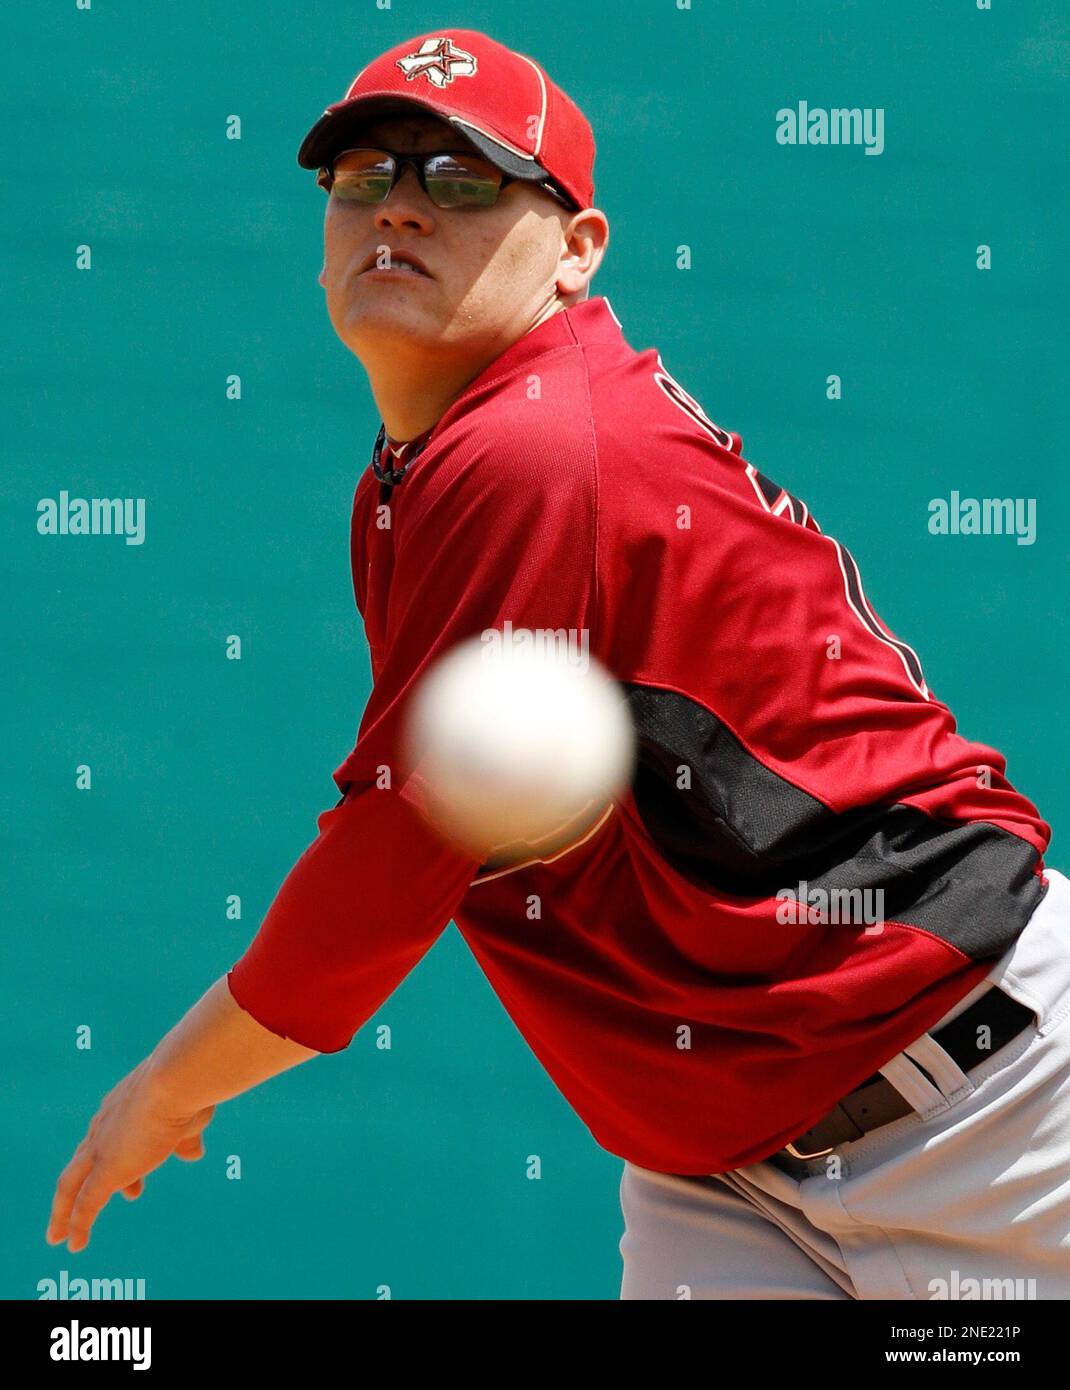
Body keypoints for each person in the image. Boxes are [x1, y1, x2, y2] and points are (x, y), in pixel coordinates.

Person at [47, 28, 1070, 1301]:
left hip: (994, 1131)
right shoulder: (417, 472)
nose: (398, 208)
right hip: (725, 1180)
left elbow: (393, 861)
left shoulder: (536, 447)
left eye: (461, 180)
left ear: (577, 253)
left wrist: (167, 1089)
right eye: (362, 176)